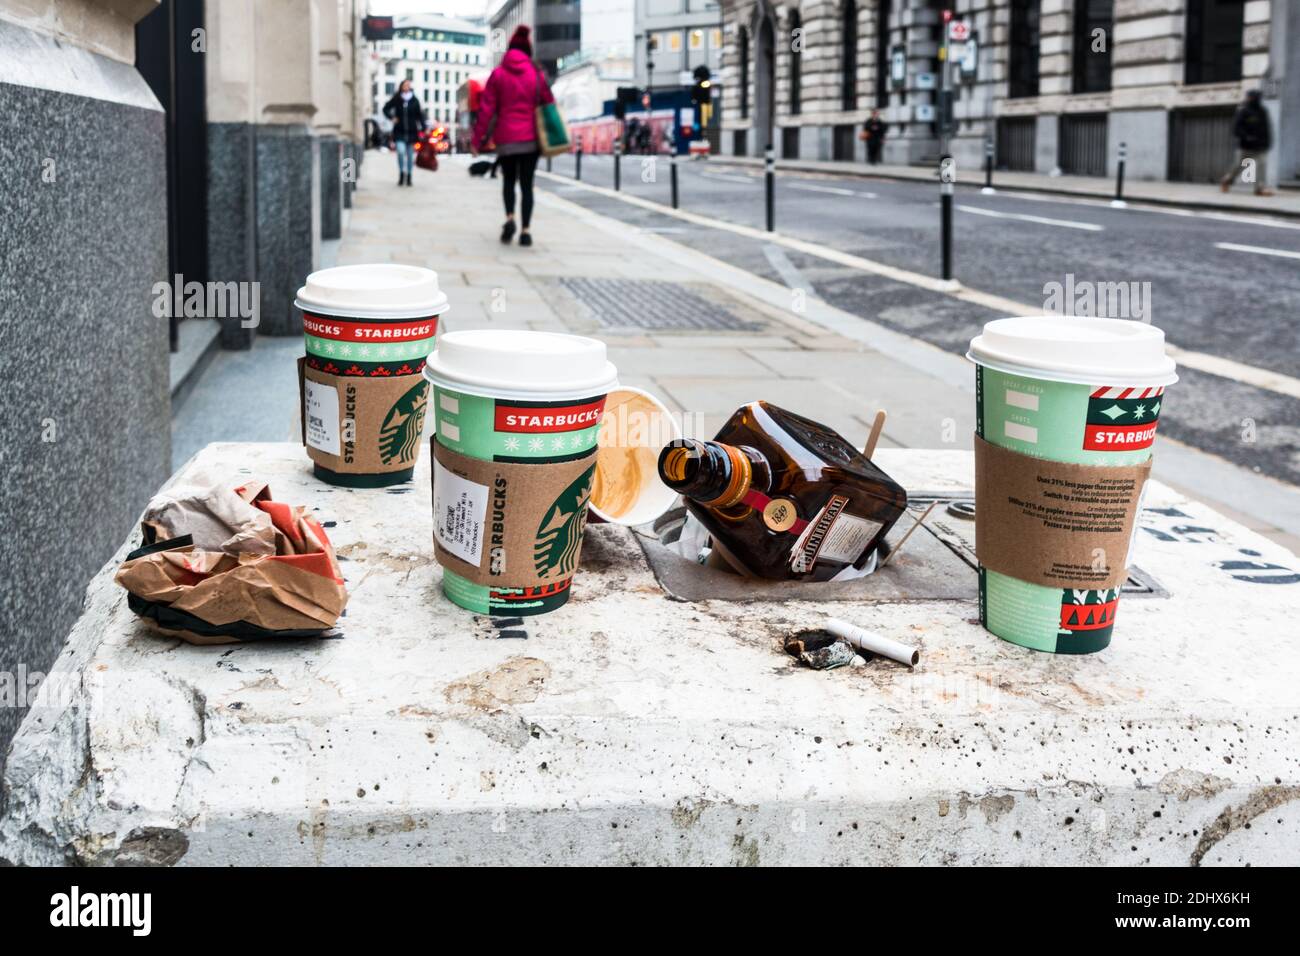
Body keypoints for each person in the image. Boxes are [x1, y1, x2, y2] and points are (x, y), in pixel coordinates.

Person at [472, 25, 554, 247]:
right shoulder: (537, 73)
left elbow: (486, 110)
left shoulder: (498, 74)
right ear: (528, 49)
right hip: (530, 140)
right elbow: (549, 104)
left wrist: (477, 141)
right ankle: (526, 232)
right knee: (527, 185)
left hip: (506, 139)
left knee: (508, 181)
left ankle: (510, 218)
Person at [1221, 90, 1273, 196]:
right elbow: (1236, 128)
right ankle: (1227, 180)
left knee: (1262, 164)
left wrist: (1268, 142)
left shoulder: (1263, 111)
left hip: (1260, 146)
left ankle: (1260, 188)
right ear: (1249, 98)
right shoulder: (1243, 111)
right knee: (1238, 166)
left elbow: (1267, 128)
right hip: (1245, 146)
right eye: (1252, 97)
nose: (1254, 99)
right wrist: (1246, 137)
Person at [383, 79, 425, 186]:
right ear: (401, 86)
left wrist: (424, 127)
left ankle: (409, 176)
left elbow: (420, 116)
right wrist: (392, 117)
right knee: (401, 152)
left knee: (410, 156)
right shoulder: (397, 99)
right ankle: (402, 173)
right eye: (404, 85)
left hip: (411, 132)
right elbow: (385, 108)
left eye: (408, 85)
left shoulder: (415, 100)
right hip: (399, 132)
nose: (406, 87)